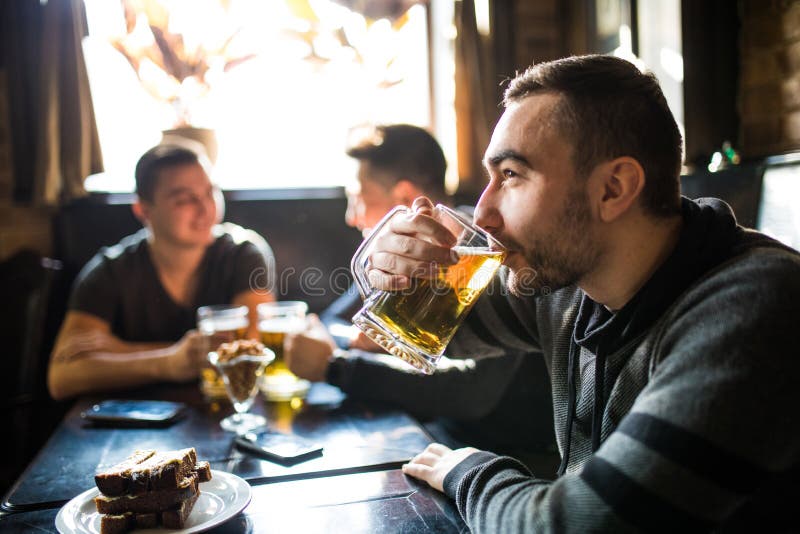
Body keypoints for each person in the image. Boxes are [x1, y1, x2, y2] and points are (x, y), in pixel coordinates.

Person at [365, 55, 800, 532]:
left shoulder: (754, 309)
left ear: (613, 189)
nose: (484, 212)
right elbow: (442, 331)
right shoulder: (569, 282)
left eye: (511, 174)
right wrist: (389, 263)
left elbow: (579, 526)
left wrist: (467, 470)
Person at [285, 124, 558, 469]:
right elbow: (335, 321)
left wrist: (338, 367)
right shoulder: (404, 257)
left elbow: (472, 393)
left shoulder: (483, 254)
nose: (351, 216)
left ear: (404, 198)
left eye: (357, 196)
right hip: (439, 444)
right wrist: (362, 339)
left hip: (506, 461)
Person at [47, 144, 276, 400]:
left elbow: (250, 352)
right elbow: (62, 377)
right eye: (184, 199)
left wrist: (120, 350)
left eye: (210, 191)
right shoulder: (109, 270)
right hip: (132, 422)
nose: (205, 208)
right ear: (143, 210)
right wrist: (169, 361)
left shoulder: (244, 253)